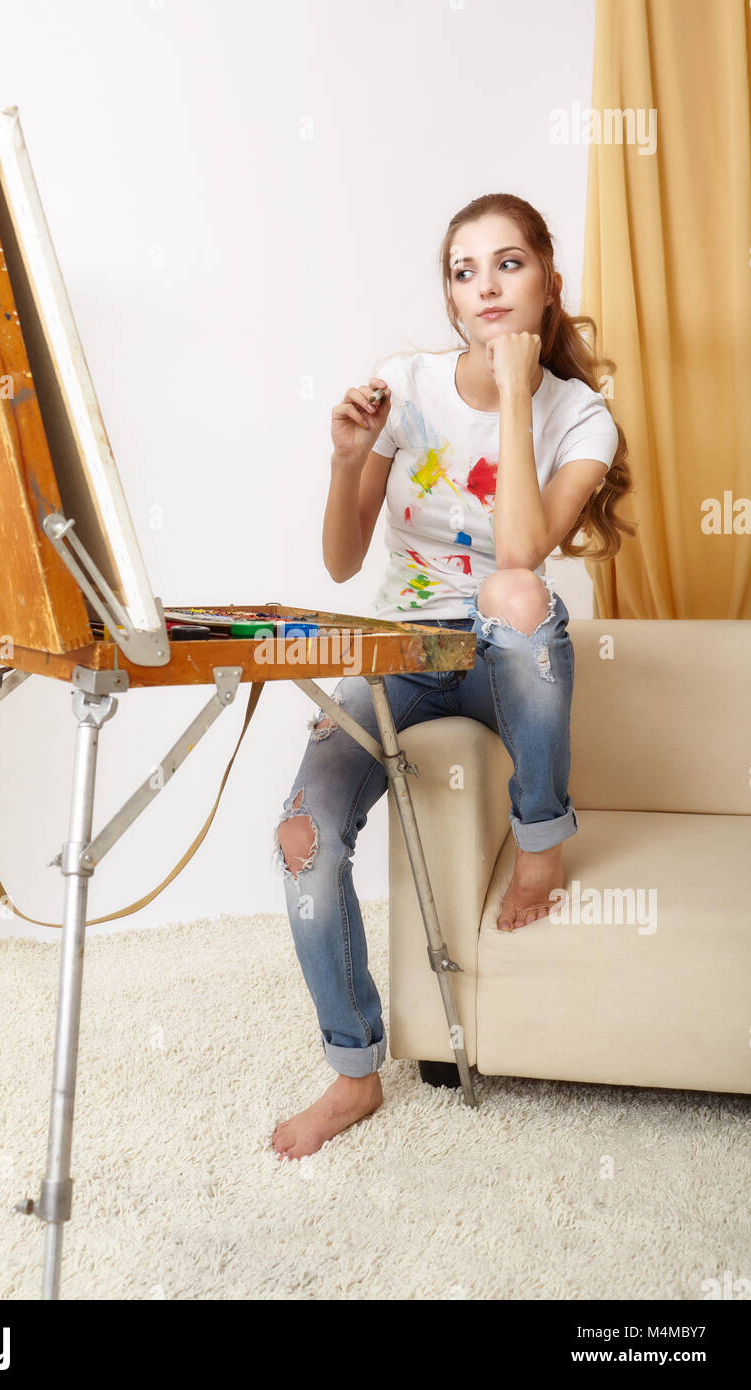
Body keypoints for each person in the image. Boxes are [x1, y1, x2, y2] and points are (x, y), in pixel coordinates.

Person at [271, 192, 636, 1161]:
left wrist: (518, 392)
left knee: (517, 598)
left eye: (509, 265)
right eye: (465, 271)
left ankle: (543, 832)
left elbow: (521, 552)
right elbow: (344, 562)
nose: (485, 287)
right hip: (405, 656)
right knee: (302, 838)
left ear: (549, 283)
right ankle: (355, 1071)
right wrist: (348, 462)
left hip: (508, 660)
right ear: (449, 294)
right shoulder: (408, 386)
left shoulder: (581, 416)